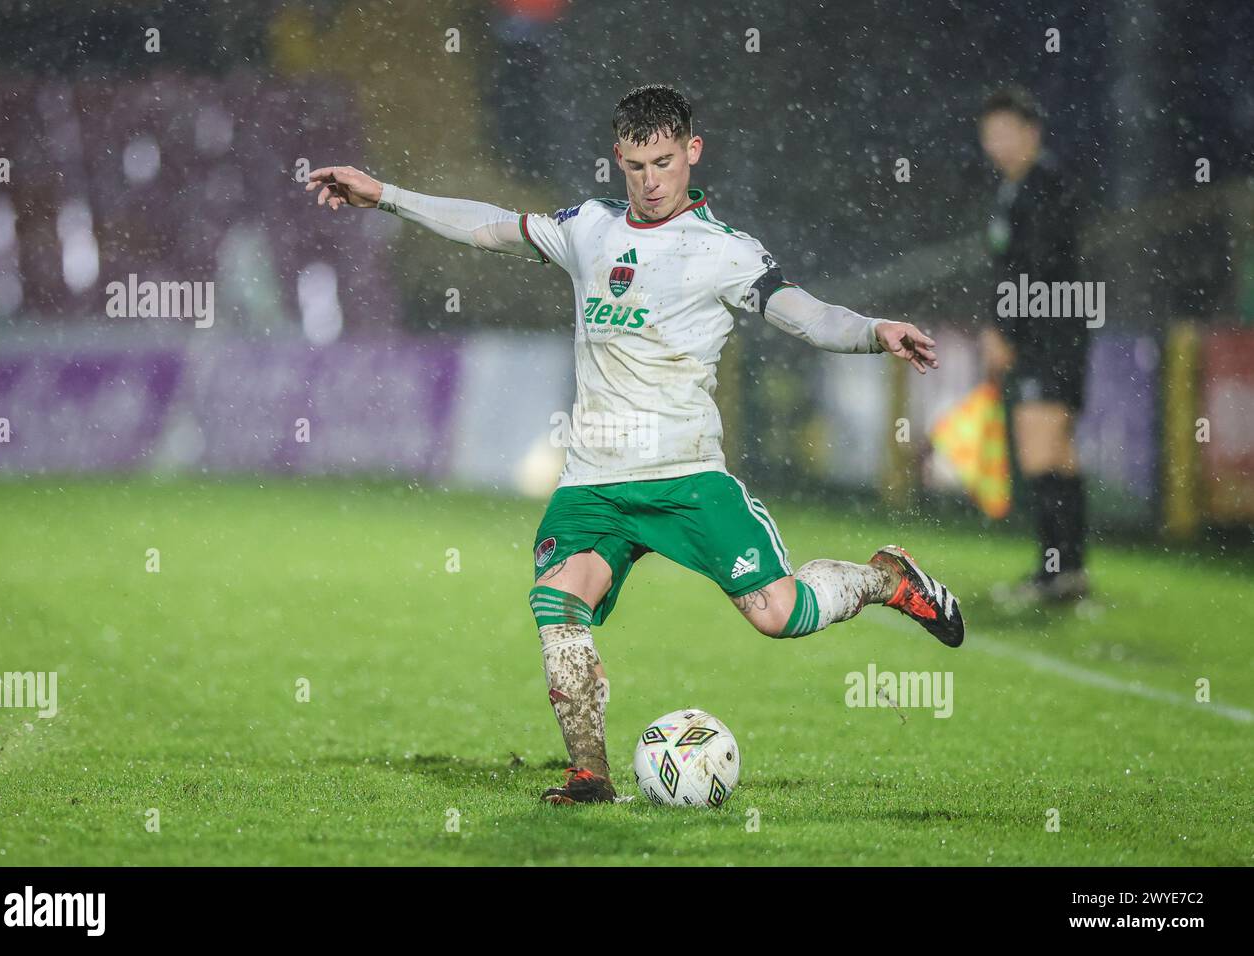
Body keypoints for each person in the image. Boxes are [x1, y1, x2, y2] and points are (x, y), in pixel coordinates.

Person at [306, 84, 964, 806]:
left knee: (778, 615)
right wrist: (388, 196)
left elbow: (803, 316)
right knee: (557, 608)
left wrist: (874, 330)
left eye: (664, 162)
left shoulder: (724, 252)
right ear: (617, 159)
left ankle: (885, 578)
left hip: (685, 477)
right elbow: (490, 227)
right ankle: (590, 777)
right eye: (635, 165)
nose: (651, 181)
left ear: (692, 151)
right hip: (593, 484)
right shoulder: (589, 228)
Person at [978, 87, 1090, 605]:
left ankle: (1053, 576)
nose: (996, 143)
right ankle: (1069, 572)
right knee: (1060, 456)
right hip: (1060, 333)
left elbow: (1037, 270)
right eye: (990, 133)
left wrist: (1007, 332)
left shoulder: (1042, 188)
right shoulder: (1020, 188)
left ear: (1032, 132)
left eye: (1006, 131)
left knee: (1041, 451)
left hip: (1049, 337)